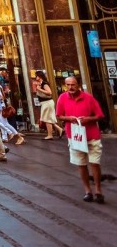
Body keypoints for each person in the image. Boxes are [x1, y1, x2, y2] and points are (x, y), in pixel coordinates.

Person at [55, 75, 106, 203]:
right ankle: (87, 190)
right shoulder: (62, 98)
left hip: (91, 135)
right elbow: (59, 115)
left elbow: (100, 115)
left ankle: (98, 190)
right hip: (75, 136)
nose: (70, 87)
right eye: (68, 85)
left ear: (78, 85)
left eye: (73, 84)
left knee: (95, 163)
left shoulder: (88, 98)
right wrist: (70, 118)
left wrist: (89, 119)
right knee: (81, 164)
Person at [33, 70, 63, 139]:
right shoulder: (41, 84)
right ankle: (59, 129)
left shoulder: (44, 84)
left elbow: (49, 92)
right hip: (45, 103)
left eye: (36, 76)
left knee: (47, 119)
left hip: (47, 102)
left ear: (40, 76)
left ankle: (50, 135)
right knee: (48, 118)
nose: (36, 77)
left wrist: (39, 89)